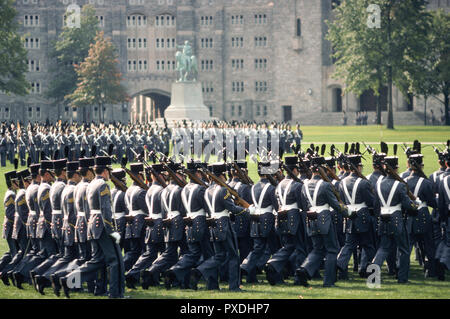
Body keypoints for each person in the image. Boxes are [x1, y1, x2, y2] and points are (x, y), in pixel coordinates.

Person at [60, 156, 125, 299]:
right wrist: (111, 230)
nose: (110, 174)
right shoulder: (102, 185)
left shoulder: (91, 184)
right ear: (105, 171)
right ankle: (115, 294)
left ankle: (68, 280)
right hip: (102, 226)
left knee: (97, 260)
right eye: (109, 171)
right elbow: (105, 210)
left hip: (92, 225)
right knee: (113, 260)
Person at [189, 163, 248, 291]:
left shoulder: (208, 190)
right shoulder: (223, 190)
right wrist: (247, 210)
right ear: (222, 175)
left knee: (219, 255)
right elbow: (231, 208)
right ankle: (234, 286)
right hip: (224, 224)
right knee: (233, 256)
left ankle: (199, 271)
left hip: (214, 226)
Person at [295, 156, 348, 287]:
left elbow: (304, 204)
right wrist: (347, 212)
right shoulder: (325, 185)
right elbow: (335, 205)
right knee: (331, 250)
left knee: (318, 249)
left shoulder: (304, 185)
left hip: (311, 219)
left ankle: (305, 269)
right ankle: (328, 281)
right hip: (324, 218)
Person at [164, 161, 213, 289]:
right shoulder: (201, 189)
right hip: (200, 222)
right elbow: (208, 208)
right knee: (208, 254)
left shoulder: (184, 189)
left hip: (189, 223)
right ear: (197, 173)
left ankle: (175, 270)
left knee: (193, 253)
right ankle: (211, 283)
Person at [370, 156, 419, 283]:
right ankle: (402, 278)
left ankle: (373, 278)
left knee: (383, 248)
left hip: (383, 217)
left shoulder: (378, 183)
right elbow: (408, 205)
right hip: (396, 219)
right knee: (404, 249)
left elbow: (376, 205)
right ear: (396, 168)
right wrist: (415, 205)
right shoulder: (399, 185)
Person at [265, 156, 307, 285]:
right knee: (300, 248)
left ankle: (275, 264)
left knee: (288, 246)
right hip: (294, 217)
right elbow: (302, 205)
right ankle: (298, 277)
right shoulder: (297, 185)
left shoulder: (279, 184)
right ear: (294, 170)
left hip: (281, 217)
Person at [125, 164, 166, 289]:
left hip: (145, 223)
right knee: (161, 253)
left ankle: (138, 275)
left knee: (149, 253)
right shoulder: (144, 191)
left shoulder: (137, 190)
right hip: (153, 222)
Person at [336, 155, 376, 279]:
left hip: (349, 216)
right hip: (363, 215)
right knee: (367, 245)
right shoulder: (364, 183)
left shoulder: (342, 182)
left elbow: (341, 200)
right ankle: (366, 269)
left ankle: (340, 265)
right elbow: (370, 201)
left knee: (349, 245)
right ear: (358, 167)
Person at [240, 161, 279, 284]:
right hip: (267, 218)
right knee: (275, 249)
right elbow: (276, 206)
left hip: (256, 218)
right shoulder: (271, 188)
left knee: (257, 248)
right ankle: (276, 277)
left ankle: (246, 268)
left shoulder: (254, 187)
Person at [404, 154, 437, 278]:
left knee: (407, 247)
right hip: (422, 215)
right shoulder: (426, 182)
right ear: (421, 165)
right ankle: (430, 271)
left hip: (409, 217)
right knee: (428, 245)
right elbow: (432, 202)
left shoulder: (404, 181)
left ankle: (403, 271)